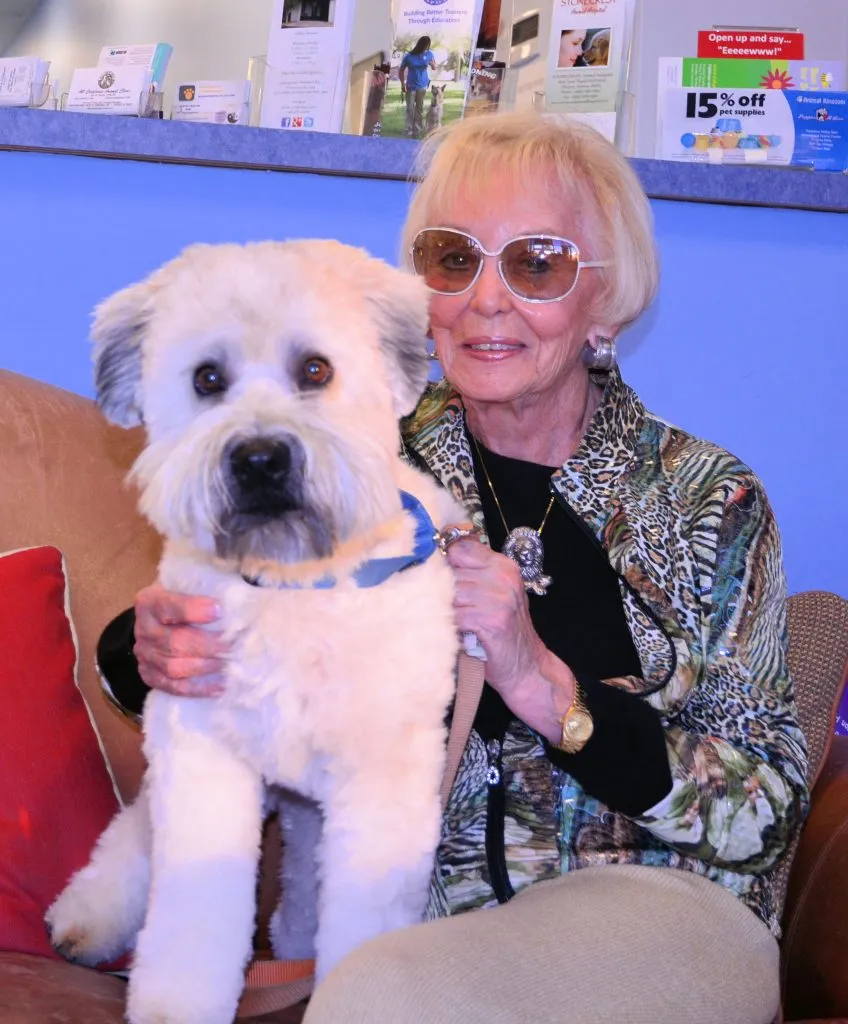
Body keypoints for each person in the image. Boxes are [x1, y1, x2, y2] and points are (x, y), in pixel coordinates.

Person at [99, 112, 808, 1024]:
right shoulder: (363, 446)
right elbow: (210, 620)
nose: (485, 298)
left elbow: (770, 810)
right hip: (427, 933)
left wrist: (548, 687)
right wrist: (146, 648)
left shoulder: (709, 499)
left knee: (386, 995)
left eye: (537, 263)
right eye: (452, 257)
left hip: (660, 912)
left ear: (609, 299)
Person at [398, 36, 436, 139]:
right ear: (421, 45)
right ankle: (408, 130)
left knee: (419, 109)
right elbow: (401, 70)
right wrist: (402, 84)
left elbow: (434, 67)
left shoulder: (429, 54)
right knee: (410, 109)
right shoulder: (409, 56)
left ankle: (417, 130)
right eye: (426, 46)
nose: (427, 48)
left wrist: (432, 65)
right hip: (411, 85)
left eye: (428, 46)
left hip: (422, 85)